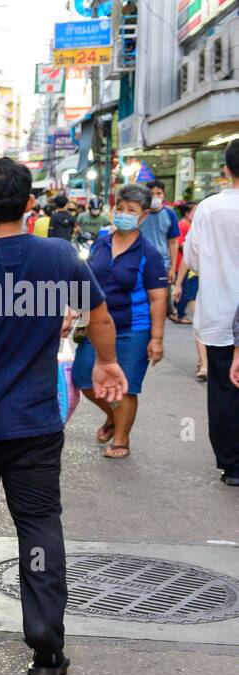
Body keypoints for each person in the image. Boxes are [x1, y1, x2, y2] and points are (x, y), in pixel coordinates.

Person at [0, 157, 127, 675]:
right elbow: (99, 316)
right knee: (39, 525)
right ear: (30, 206)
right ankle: (45, 642)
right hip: (37, 423)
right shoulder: (59, 255)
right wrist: (107, 362)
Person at [72, 183, 168, 459]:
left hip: (133, 329)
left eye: (131, 210)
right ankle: (113, 417)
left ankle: (122, 439)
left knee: (125, 388)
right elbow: (85, 283)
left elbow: (158, 298)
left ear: (143, 216)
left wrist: (157, 339)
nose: (123, 214)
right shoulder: (101, 243)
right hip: (97, 326)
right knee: (83, 377)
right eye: (120, 208)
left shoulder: (148, 253)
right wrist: (75, 313)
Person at [183, 140, 239, 486]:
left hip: (219, 312)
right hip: (222, 315)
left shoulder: (209, 208)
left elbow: (192, 260)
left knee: (223, 390)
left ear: (226, 170)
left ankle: (232, 464)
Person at [139, 180, 180, 282]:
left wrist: (173, 268)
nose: (155, 196)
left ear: (163, 195)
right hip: (139, 262)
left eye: (159, 193)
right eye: (151, 193)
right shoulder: (139, 213)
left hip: (162, 264)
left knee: (161, 296)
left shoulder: (170, 214)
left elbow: (173, 242)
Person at [170, 202, 197, 326]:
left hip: (183, 263)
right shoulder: (183, 224)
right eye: (194, 211)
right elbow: (181, 244)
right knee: (183, 289)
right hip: (181, 263)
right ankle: (180, 315)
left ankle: (177, 313)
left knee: (182, 288)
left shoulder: (187, 224)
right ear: (187, 213)